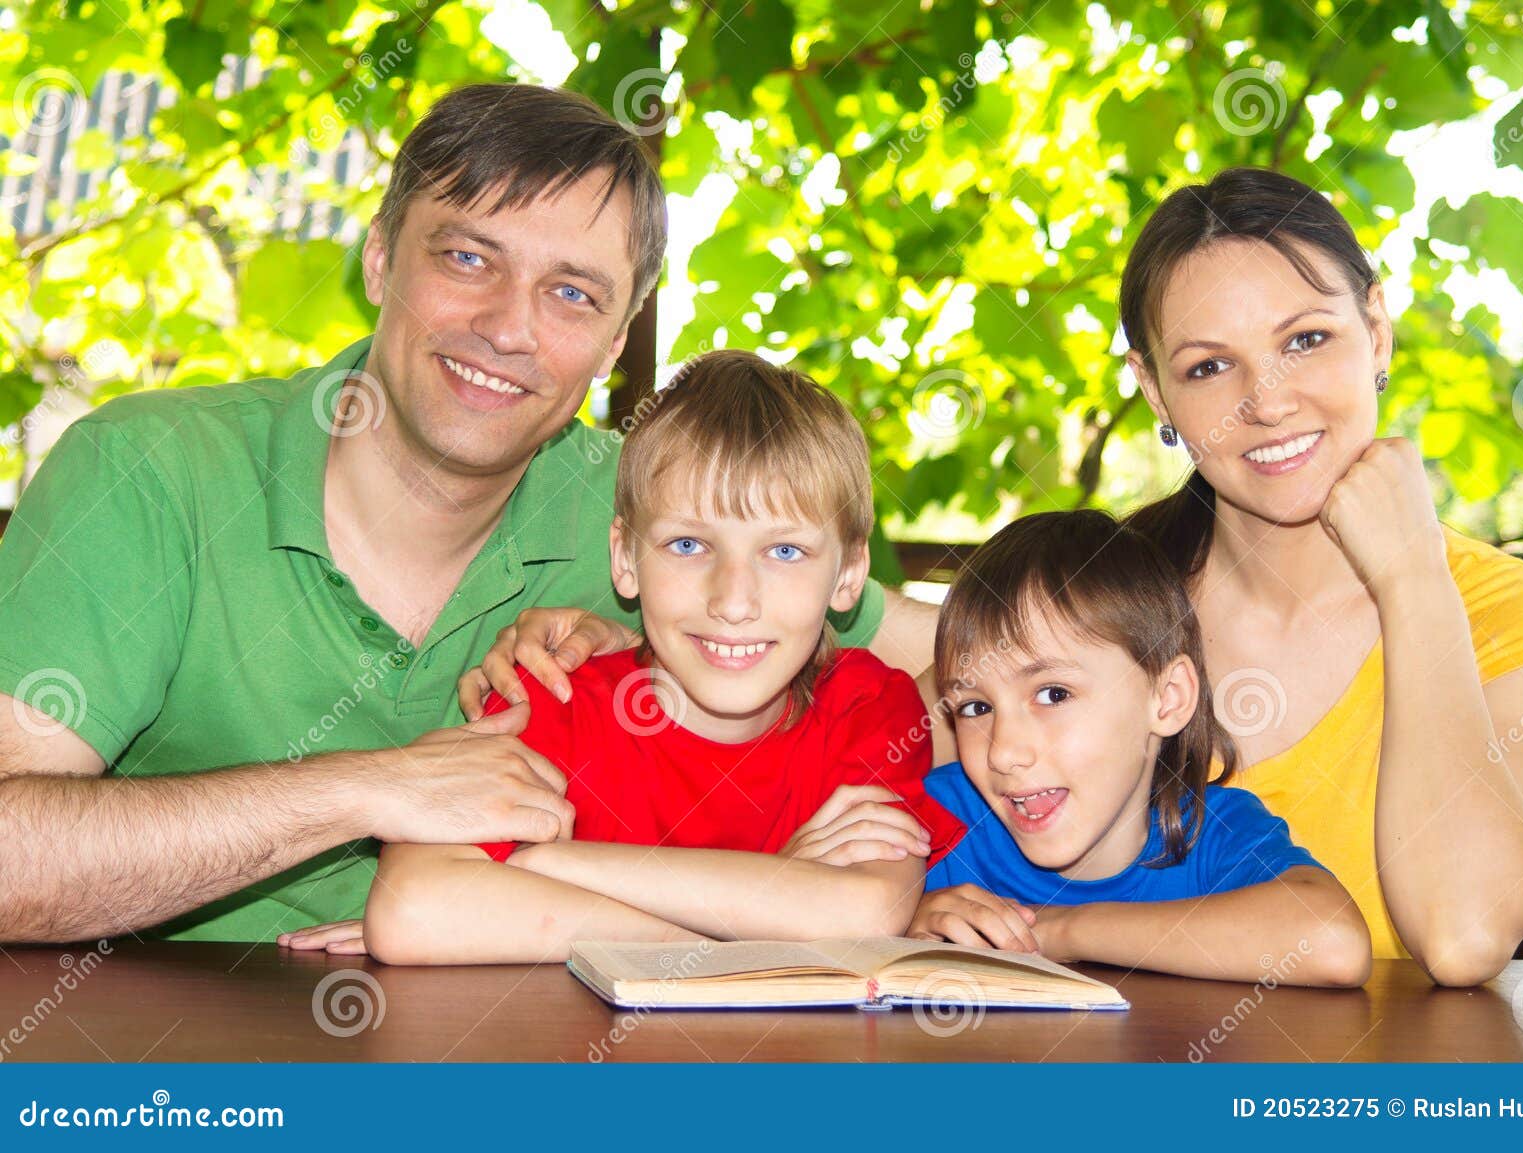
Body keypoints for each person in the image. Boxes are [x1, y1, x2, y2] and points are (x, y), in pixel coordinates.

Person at [0, 83, 931, 945]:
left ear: (616, 342)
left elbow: (986, 660)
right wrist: (371, 788)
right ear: (377, 258)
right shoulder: (153, 471)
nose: (509, 325)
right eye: (467, 255)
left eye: (572, 292)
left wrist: (979, 883)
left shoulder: (657, 507)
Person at [282, 350, 963, 962]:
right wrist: (751, 930)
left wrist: (543, 863)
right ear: (623, 557)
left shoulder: (869, 707)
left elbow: (865, 911)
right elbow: (415, 913)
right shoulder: (551, 695)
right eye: (689, 545)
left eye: (784, 551)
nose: (733, 599)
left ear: (847, 576)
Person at [1118, 167, 1523, 985]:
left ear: (1376, 329)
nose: (1266, 402)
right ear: (1154, 390)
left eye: (1305, 339)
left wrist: (1412, 577)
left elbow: (1465, 936)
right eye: (1207, 367)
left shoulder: (1506, 610)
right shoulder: (1103, 596)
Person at [907, 510, 1371, 987]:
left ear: (1168, 698)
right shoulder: (934, 825)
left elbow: (1334, 942)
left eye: (1053, 694)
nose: (1003, 752)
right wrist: (898, 925)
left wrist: (1060, 932)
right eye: (975, 708)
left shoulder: (1211, 836)